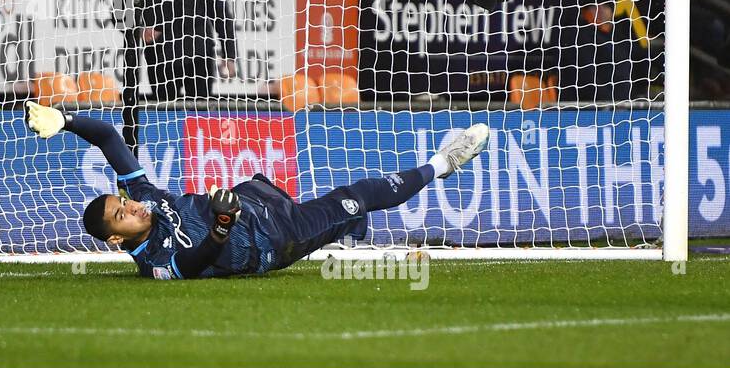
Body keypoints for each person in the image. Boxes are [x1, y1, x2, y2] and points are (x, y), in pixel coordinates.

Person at [25, 101, 490, 279]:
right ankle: (441, 164)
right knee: (357, 195)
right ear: (116, 239)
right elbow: (198, 260)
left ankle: (359, 231)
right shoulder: (154, 264)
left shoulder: (145, 196)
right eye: (121, 214)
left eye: (122, 200)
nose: (132, 207)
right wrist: (223, 222)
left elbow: (108, 137)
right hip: (276, 239)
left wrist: (64, 120)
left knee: (311, 196)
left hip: (255, 199)